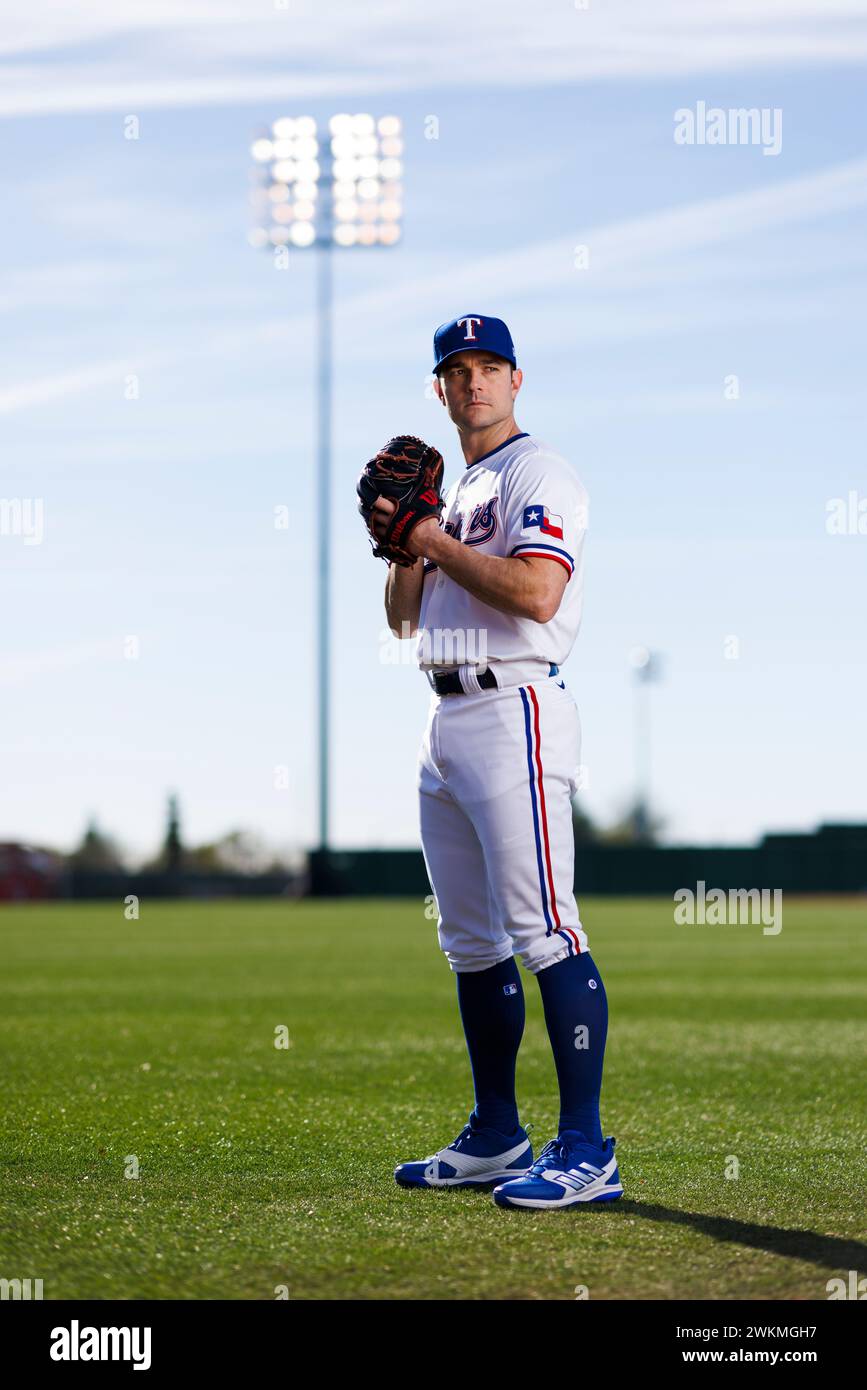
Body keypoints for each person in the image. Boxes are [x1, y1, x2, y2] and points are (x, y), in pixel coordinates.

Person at [369, 313, 622, 1209]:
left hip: (514, 705)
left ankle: (587, 1148)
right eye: (455, 369)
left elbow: (535, 591)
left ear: (517, 380)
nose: (472, 381)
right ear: (438, 390)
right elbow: (403, 622)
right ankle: (495, 1135)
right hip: (443, 718)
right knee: (469, 945)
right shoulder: (460, 489)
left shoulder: (536, 472)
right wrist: (402, 543)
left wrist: (430, 538)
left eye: (489, 365)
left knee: (546, 931)